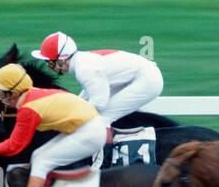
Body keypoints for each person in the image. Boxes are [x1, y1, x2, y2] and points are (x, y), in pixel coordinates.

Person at [32, 32, 163, 127]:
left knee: (102, 118)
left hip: (148, 80)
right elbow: (84, 98)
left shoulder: (85, 69)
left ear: (61, 60)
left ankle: (101, 163)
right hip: (136, 76)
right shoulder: (81, 63)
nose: (49, 68)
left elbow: (99, 103)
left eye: (50, 63)